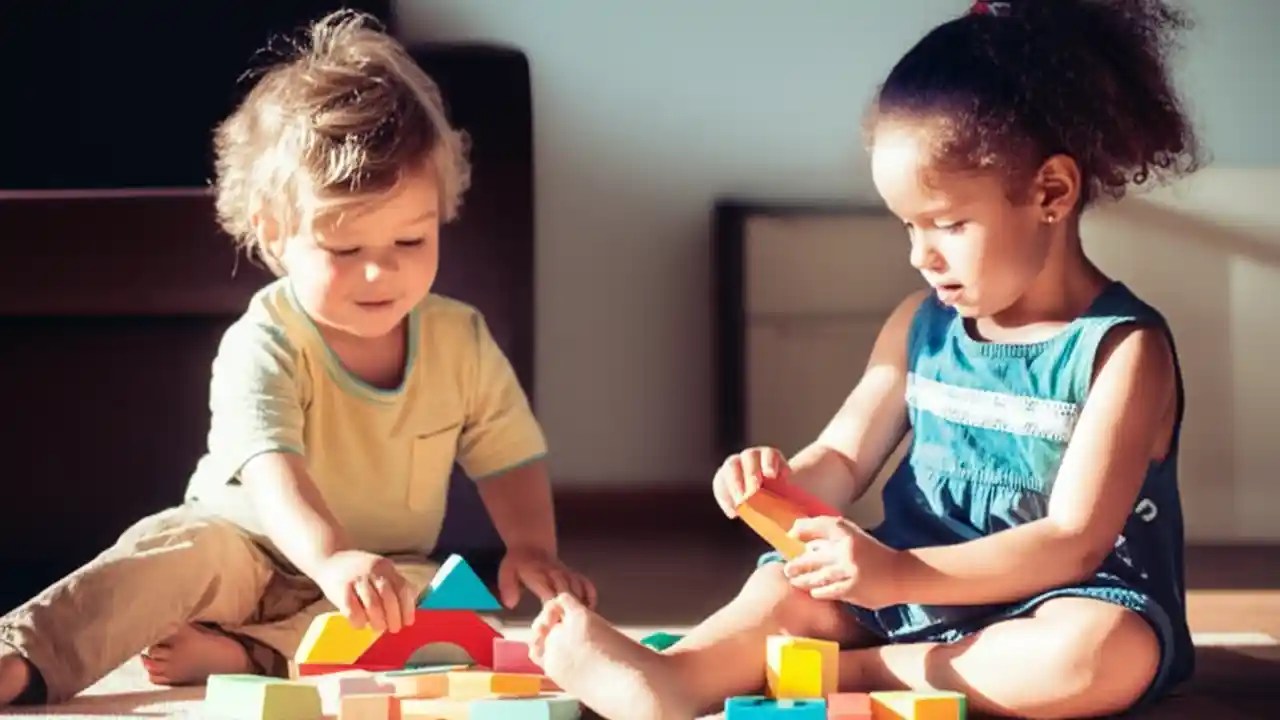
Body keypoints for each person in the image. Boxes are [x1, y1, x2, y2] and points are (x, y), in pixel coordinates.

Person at [526, 0, 1201, 717]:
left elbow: (1072, 543)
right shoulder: (920, 327)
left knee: (1097, 655)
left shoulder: (1123, 351)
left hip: (1058, 600)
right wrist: (779, 483)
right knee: (785, 587)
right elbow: (843, 462)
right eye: (908, 225)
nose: (921, 254)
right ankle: (674, 677)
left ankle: (856, 672)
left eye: (948, 224)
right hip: (898, 592)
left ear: (1051, 193)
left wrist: (899, 574)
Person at [0, 10, 595, 707]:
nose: (381, 275)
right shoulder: (266, 341)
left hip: (379, 573)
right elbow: (273, 468)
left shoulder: (460, 338)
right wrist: (330, 555)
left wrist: (531, 545)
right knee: (165, 553)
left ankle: (246, 654)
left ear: (442, 212)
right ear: (274, 232)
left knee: (443, 605)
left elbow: (510, 452)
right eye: (346, 251)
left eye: (410, 243)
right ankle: (24, 655)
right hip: (245, 548)